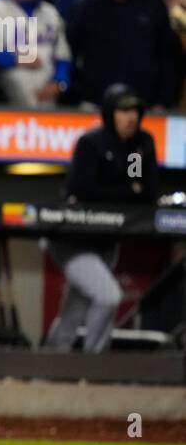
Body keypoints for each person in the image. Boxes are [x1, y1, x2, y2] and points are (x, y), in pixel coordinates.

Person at [43, 85, 160, 354]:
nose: (130, 117)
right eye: (123, 111)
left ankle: (49, 363)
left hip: (105, 242)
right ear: (110, 113)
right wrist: (127, 191)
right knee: (108, 296)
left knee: (77, 306)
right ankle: (94, 363)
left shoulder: (138, 147)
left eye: (134, 111)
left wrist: (127, 191)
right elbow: (83, 190)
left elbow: (144, 189)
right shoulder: (92, 143)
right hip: (73, 239)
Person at [66, 0, 183, 108]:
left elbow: (169, 57)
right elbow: (70, 52)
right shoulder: (86, 5)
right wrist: (77, 95)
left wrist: (164, 100)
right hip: (95, 105)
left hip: (145, 106)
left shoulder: (152, 5)